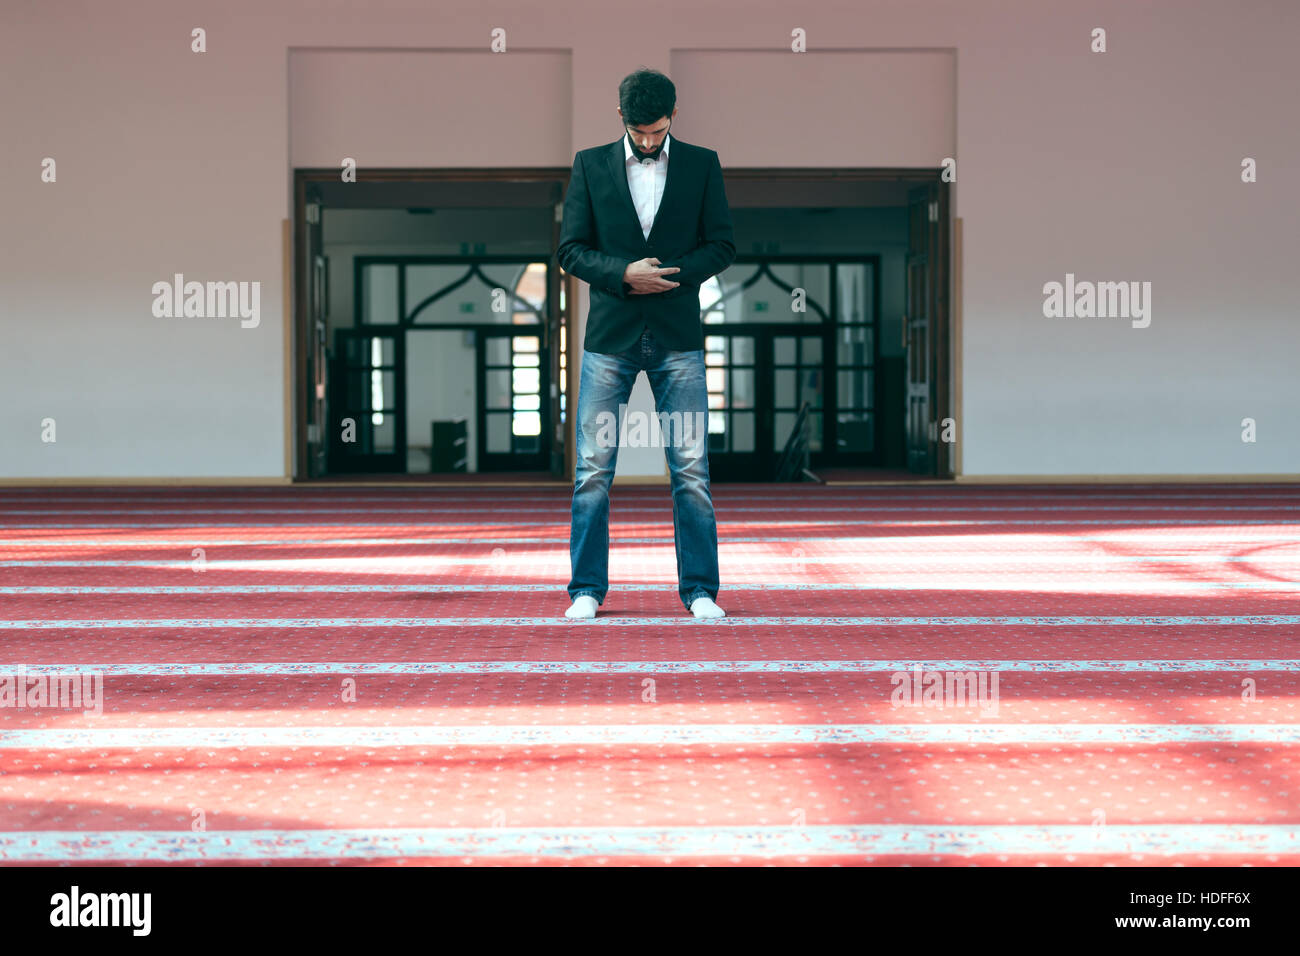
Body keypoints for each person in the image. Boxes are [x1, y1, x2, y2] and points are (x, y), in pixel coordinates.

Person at [556, 67, 736, 620]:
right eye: (641, 132)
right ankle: (586, 590)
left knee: (690, 470)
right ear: (621, 119)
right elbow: (570, 249)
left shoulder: (703, 164)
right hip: (610, 338)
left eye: (658, 131)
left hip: (678, 336)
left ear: (673, 117)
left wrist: (674, 275)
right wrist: (623, 274)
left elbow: (722, 245)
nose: (649, 140)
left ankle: (700, 590)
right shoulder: (589, 164)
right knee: (592, 470)